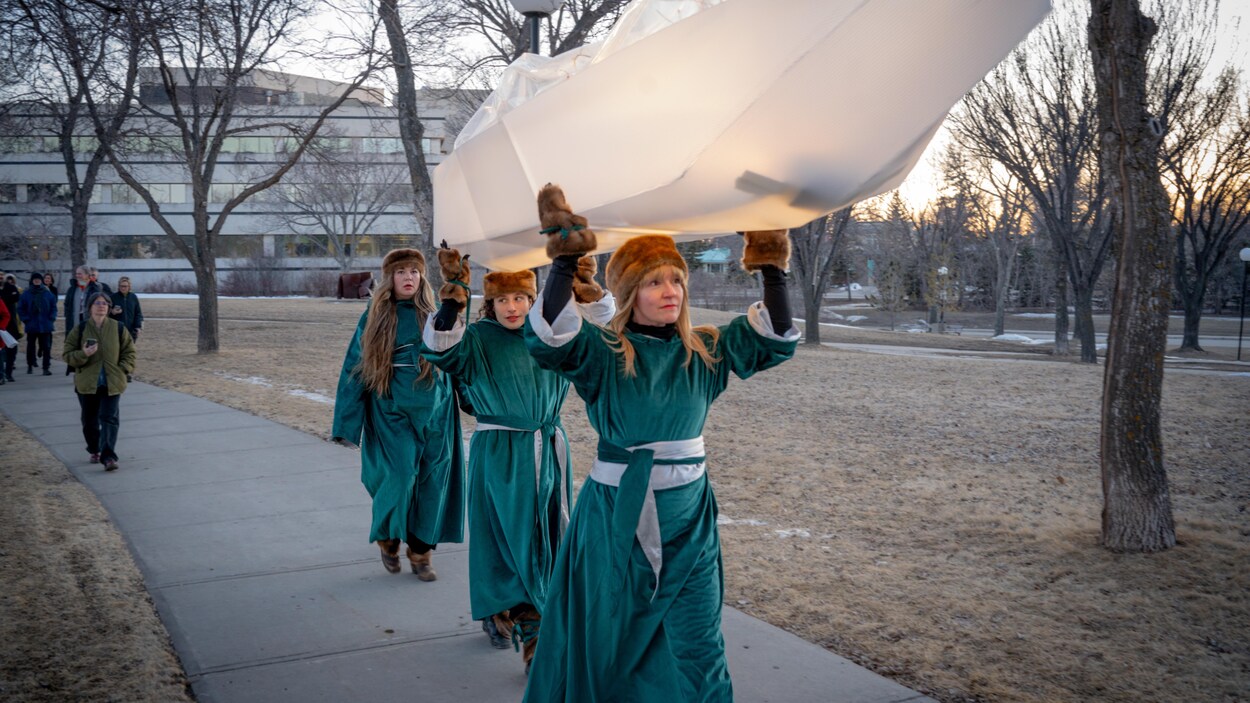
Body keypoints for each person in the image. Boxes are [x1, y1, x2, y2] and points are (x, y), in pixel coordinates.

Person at [520, 185, 799, 702]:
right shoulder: (603, 351)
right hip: (615, 521)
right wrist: (564, 261)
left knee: (698, 647)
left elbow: (778, 335)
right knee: (612, 641)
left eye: (676, 279)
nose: (671, 290)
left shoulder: (707, 350)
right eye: (654, 282)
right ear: (629, 294)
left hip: (689, 523)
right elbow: (547, 334)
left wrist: (770, 265)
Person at [422, 242, 615, 669]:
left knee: (548, 536)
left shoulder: (550, 334)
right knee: (509, 537)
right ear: (489, 304)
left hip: (548, 448)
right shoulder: (476, 339)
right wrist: (453, 297)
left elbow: (604, 331)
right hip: (502, 454)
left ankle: (525, 613)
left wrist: (586, 288)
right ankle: (530, 629)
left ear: (533, 299)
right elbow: (439, 346)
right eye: (501, 299)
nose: (512, 307)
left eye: (520, 298)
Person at [331, 248, 465, 581]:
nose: (409, 278)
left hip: (436, 410)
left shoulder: (436, 314)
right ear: (390, 278)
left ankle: (421, 550)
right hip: (391, 410)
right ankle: (388, 536)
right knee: (400, 475)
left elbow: (460, 351)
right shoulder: (375, 317)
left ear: (422, 279)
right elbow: (354, 367)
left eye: (415, 272)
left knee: (433, 481)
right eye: (401, 272)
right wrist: (346, 424)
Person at [63, 291, 136, 471]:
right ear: (89, 307)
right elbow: (67, 355)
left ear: (109, 308)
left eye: (105, 303)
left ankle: (109, 456)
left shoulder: (118, 328)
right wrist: (83, 354)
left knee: (109, 418)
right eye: (97, 303)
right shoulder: (80, 329)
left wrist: (123, 368)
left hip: (112, 382)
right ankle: (94, 448)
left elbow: (130, 352)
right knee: (90, 421)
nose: (101, 306)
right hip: (87, 383)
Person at [63, 266, 108, 375]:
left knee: (89, 345)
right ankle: (76, 369)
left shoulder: (95, 288)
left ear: (88, 275)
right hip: (74, 323)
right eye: (77, 274)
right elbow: (67, 305)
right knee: (75, 346)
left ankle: (90, 369)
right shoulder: (73, 289)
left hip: (90, 323)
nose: (78, 276)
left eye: (80, 274)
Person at [17, 272, 57, 375]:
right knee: (30, 347)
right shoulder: (26, 293)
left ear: (41, 280)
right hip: (32, 325)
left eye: (38, 279)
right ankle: (30, 365)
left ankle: (46, 367)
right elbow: (20, 308)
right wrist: (26, 319)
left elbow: (53, 307)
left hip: (45, 325)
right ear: (32, 280)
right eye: (35, 279)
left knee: (46, 347)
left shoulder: (47, 293)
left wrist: (51, 318)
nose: (37, 281)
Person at [1, 273, 21, 382]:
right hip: (2, 326)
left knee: (11, 351)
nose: (10, 282)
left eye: (11, 280)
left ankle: (8, 373)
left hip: (11, 325)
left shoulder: (13, 289)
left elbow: (15, 297)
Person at [109, 276, 143, 342]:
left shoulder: (133, 297)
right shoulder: (112, 297)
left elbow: (138, 313)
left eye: (125, 286)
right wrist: (112, 312)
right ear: (118, 286)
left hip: (131, 331)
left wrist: (138, 327)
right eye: (121, 286)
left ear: (129, 286)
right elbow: (105, 313)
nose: (123, 288)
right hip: (116, 331)